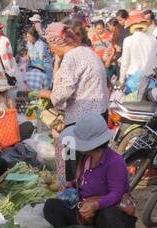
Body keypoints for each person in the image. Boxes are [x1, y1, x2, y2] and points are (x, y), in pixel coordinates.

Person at [42, 115, 136, 228]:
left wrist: (96, 205)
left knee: (109, 216)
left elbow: (116, 194)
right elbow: (84, 183)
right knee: (51, 206)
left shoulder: (115, 162)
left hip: (109, 215)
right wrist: (72, 185)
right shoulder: (86, 158)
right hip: (85, 214)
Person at [38, 23, 109, 184]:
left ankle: (72, 195)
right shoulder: (86, 52)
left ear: (56, 43)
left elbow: (61, 94)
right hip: (99, 115)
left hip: (82, 121)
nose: (50, 49)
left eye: (49, 45)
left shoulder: (71, 58)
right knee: (94, 164)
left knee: (72, 167)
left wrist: (46, 94)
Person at [119, 11, 157, 91]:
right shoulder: (153, 39)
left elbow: (125, 63)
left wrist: (121, 81)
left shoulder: (128, 40)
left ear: (132, 25)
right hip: (150, 78)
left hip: (133, 78)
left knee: (132, 102)